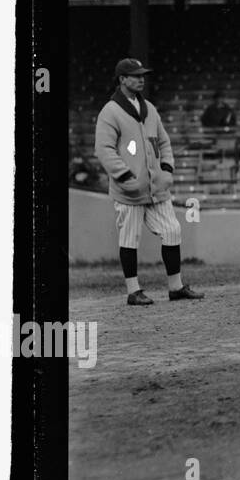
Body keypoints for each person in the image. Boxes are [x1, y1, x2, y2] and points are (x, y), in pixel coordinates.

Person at [93, 58, 202, 305]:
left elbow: (163, 142)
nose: (141, 78)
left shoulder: (149, 108)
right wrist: (124, 177)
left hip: (156, 188)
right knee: (130, 238)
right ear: (122, 79)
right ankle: (133, 291)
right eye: (135, 75)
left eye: (143, 75)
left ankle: (176, 287)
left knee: (172, 230)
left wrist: (166, 170)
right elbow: (104, 149)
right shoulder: (110, 111)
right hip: (129, 191)